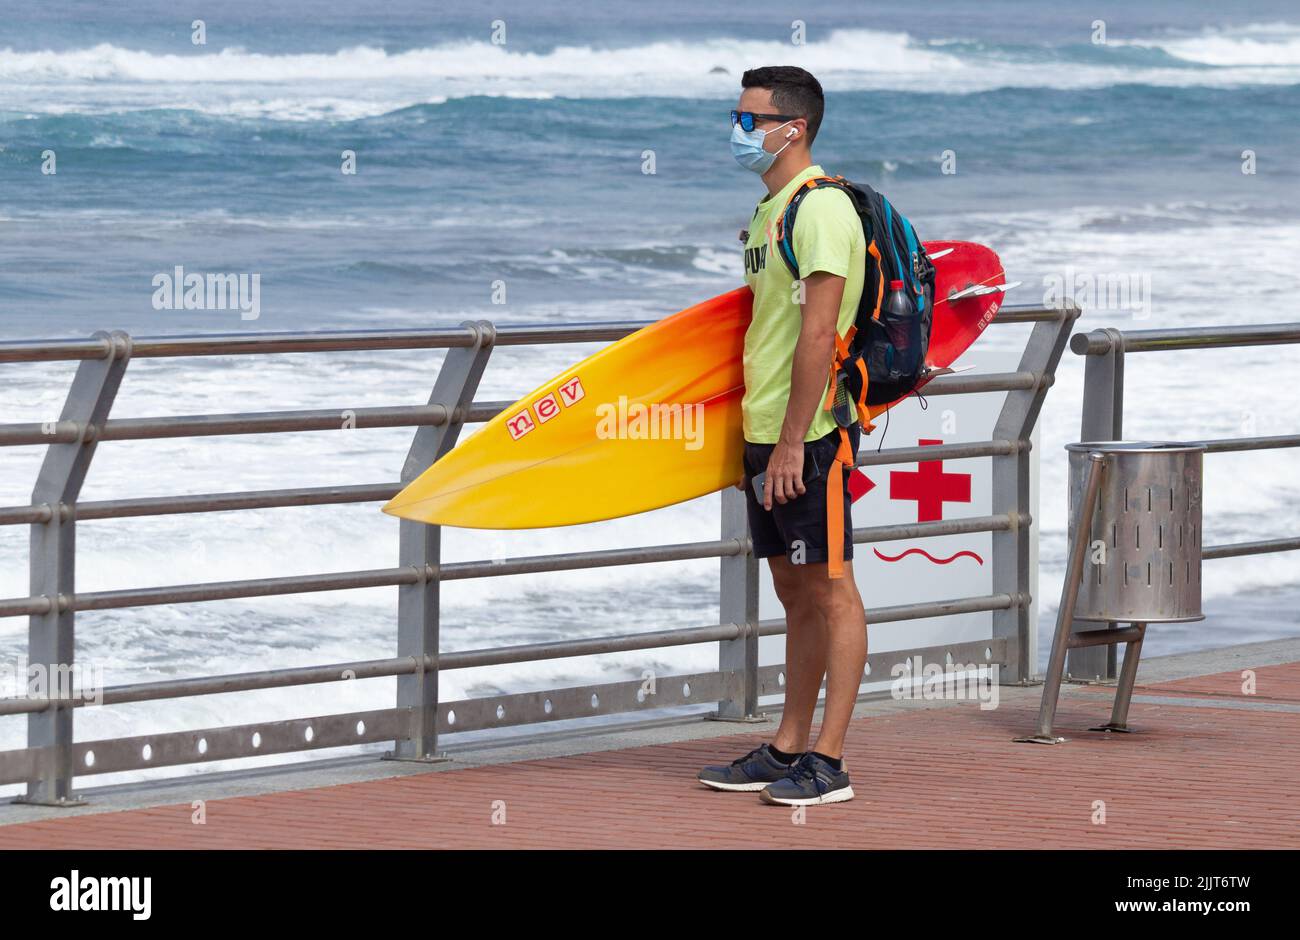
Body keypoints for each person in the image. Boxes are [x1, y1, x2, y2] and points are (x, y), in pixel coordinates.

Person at [698, 66, 867, 806]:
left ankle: (830, 761)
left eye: (748, 119)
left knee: (831, 589)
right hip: (764, 430)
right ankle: (789, 744)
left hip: (812, 433)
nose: (738, 131)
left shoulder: (821, 210)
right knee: (793, 590)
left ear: (791, 128)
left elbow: (818, 331)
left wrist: (798, 439)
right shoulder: (770, 213)